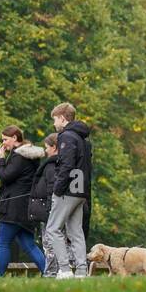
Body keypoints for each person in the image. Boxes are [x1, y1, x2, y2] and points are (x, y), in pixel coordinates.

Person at [44, 103, 92, 280]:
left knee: (53, 229)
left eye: (55, 119)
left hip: (67, 190)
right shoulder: (82, 138)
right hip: (80, 191)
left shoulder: (66, 136)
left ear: (62, 118)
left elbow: (66, 164)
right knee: (75, 231)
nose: (54, 123)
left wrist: (57, 189)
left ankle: (64, 270)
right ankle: (81, 271)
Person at [0, 126, 48, 276]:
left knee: (3, 244)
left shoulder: (18, 156)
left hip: (12, 208)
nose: (3, 144)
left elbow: (5, 176)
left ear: (15, 138)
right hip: (26, 207)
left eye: (5, 139)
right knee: (29, 245)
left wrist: (1, 158)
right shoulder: (30, 157)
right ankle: (49, 273)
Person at [29, 133, 59, 277]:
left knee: (50, 245)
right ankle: (52, 272)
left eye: (47, 147)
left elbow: (51, 190)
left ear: (54, 147)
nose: (45, 150)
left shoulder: (52, 166)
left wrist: (48, 211)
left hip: (50, 213)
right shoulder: (52, 165)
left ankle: (51, 274)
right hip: (48, 211)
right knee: (48, 244)